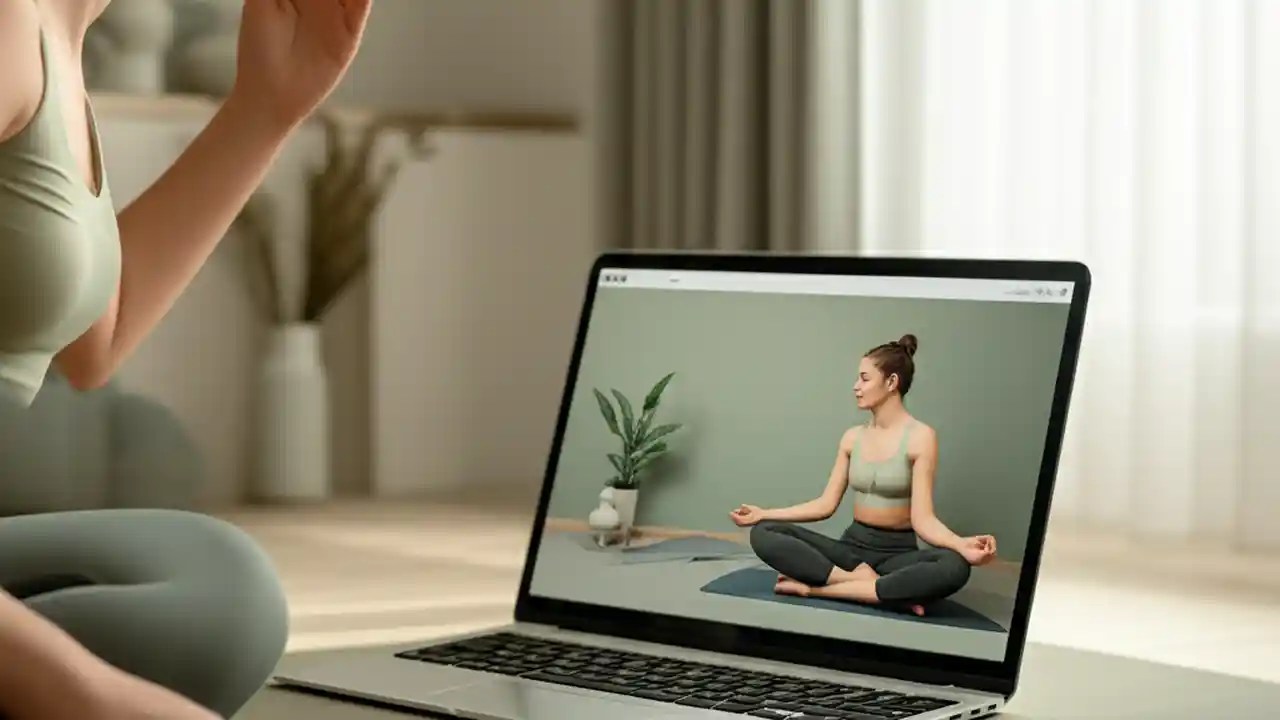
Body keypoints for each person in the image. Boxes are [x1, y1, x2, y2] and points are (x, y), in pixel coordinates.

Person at [0, 1, 371, 718]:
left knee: (223, 592)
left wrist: (265, 108)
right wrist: (85, 692)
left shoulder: (60, 35)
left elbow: (92, 342)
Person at [729, 334, 997, 617]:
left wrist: (960, 544)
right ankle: (880, 590)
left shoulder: (921, 437)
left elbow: (923, 520)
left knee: (954, 567)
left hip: (898, 556)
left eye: (865, 378)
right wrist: (763, 514)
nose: (856, 387)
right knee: (765, 532)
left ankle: (820, 590)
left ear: (891, 382)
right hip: (850, 554)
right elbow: (825, 505)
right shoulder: (852, 438)